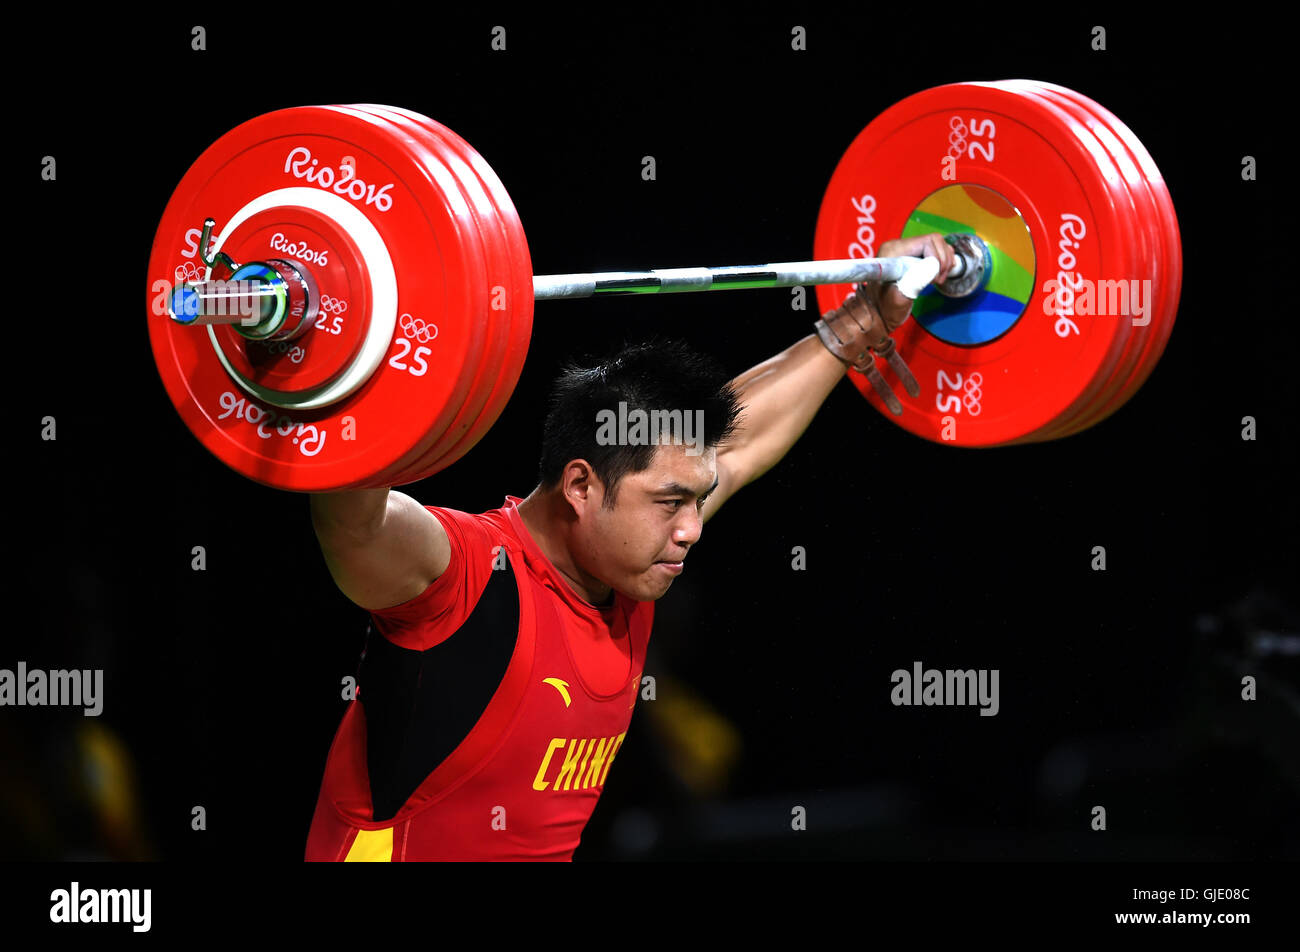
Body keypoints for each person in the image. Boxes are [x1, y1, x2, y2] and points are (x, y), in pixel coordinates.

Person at [303, 235, 956, 861]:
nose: (693, 529)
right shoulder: (467, 573)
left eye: (698, 500)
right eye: (672, 503)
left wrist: (868, 314)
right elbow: (355, 522)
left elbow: (737, 446)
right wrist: (340, 357)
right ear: (581, 485)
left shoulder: (630, 559)